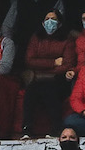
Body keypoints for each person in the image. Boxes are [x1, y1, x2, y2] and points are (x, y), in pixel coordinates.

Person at [22, 9, 77, 137]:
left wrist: (43, 70)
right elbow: (29, 61)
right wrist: (53, 62)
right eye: (47, 19)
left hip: (58, 80)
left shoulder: (67, 39)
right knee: (30, 92)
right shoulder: (36, 37)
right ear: (42, 23)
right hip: (38, 80)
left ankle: (56, 129)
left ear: (59, 23)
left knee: (49, 90)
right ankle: (27, 129)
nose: (50, 22)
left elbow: (68, 64)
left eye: (53, 19)